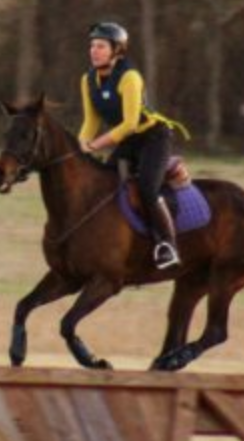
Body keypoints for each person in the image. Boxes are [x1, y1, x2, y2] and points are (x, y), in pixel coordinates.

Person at [78, 21, 188, 269]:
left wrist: (95, 146)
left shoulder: (129, 76)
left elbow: (129, 123)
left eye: (101, 46)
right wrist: (81, 146)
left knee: (148, 188)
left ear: (117, 50)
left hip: (154, 138)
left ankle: (168, 245)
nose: (94, 51)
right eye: (92, 46)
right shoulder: (88, 80)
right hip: (129, 142)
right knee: (104, 181)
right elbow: (90, 120)